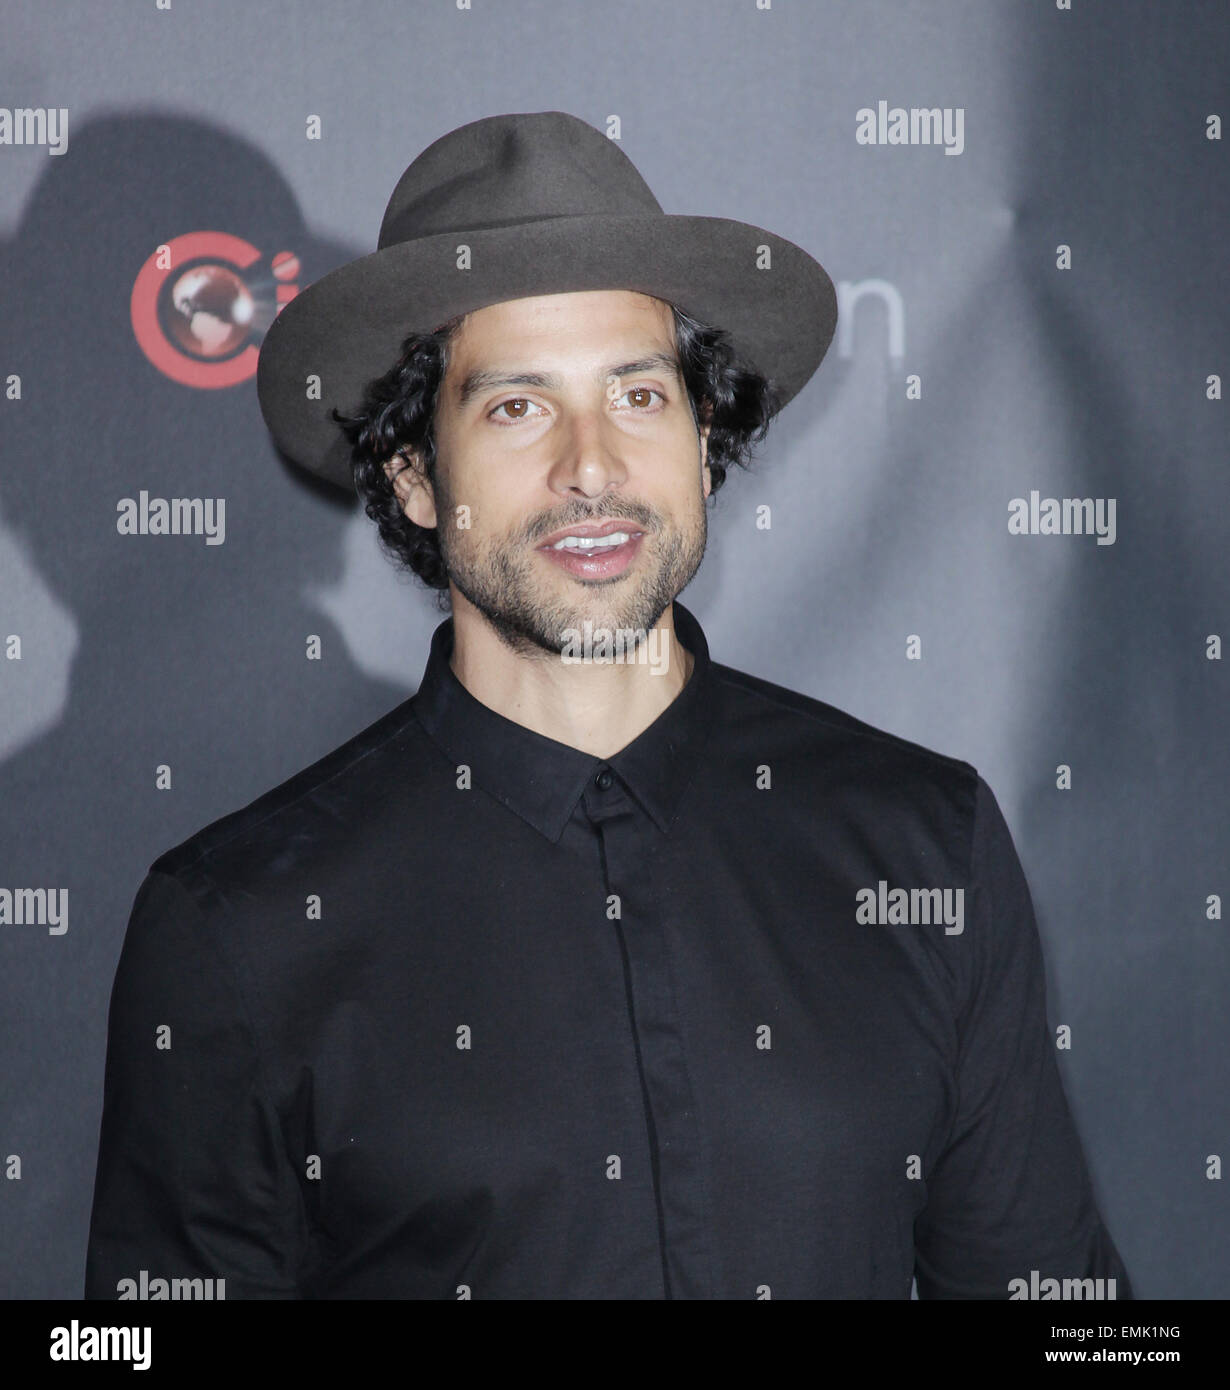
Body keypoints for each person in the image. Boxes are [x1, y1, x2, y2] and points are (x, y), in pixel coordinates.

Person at [85, 111, 1131, 1300]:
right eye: (518, 406)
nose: (594, 464)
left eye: (638, 395)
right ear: (415, 475)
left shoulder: (926, 842)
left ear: (702, 438)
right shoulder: (239, 927)